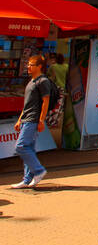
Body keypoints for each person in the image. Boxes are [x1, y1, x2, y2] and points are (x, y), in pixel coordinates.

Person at [11, 52, 51, 189]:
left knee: (21, 146)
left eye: (31, 65)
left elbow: (46, 101)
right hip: (26, 119)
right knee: (29, 149)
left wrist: (41, 120)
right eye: (28, 64)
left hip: (33, 119)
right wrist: (19, 120)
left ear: (39, 66)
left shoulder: (43, 81)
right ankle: (27, 179)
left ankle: (39, 170)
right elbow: (27, 104)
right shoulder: (31, 82)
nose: (28, 67)